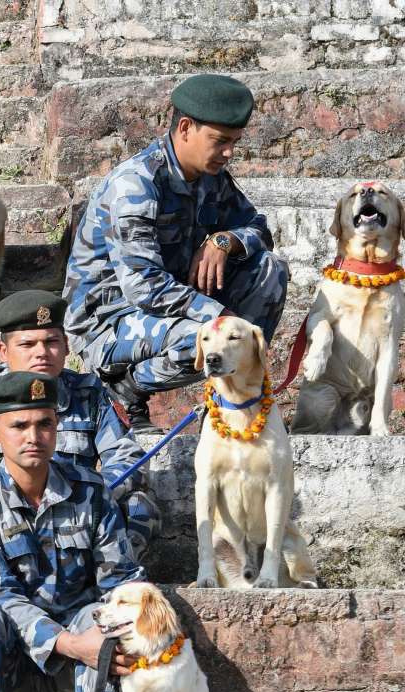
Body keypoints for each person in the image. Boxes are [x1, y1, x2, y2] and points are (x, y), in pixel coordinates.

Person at [63, 74, 288, 431]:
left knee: (270, 271)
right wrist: (219, 316)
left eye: (234, 142)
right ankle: (124, 389)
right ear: (185, 128)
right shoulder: (135, 184)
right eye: (220, 141)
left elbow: (259, 229)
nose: (229, 153)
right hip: (107, 319)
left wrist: (224, 241)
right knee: (202, 335)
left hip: (168, 306)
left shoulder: (211, 177)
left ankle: (238, 397)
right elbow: (143, 286)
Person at [0, 371, 146, 692]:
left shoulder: (90, 492)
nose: (33, 437)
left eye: (44, 424)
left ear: (57, 427)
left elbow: (121, 582)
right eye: (19, 426)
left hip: (75, 672)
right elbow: (2, 598)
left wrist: (100, 637)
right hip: (9, 678)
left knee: (107, 620)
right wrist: (72, 645)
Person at [0, 290, 161, 562]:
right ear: (3, 351)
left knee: (139, 506)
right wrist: (3, 481)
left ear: (67, 346)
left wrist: (78, 490)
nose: (42, 353)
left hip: (77, 516)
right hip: (5, 514)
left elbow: (128, 460)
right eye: (27, 344)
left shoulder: (90, 394)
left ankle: (105, 589)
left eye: (51, 342)